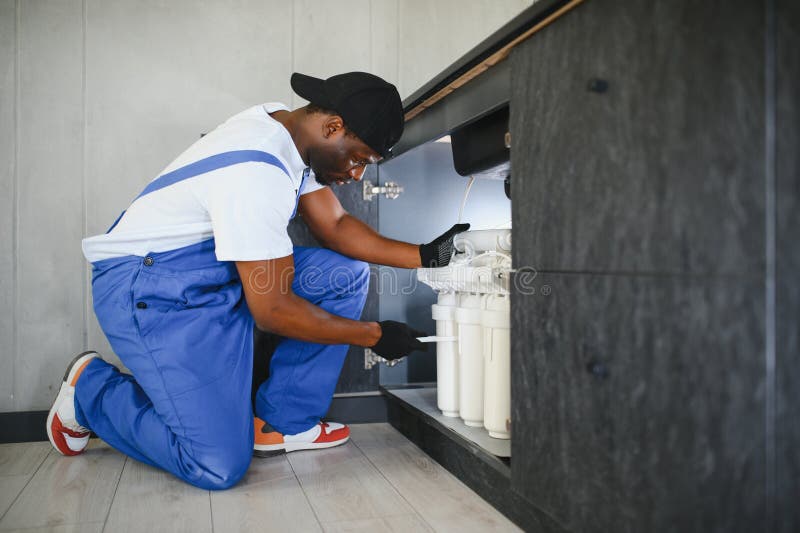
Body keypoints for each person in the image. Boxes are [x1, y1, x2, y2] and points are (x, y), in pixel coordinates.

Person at [45, 71, 469, 490]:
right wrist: (374, 335)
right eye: (359, 159)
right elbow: (273, 310)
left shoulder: (286, 131)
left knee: (344, 277)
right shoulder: (257, 169)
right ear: (333, 127)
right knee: (216, 465)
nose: (357, 174)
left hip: (209, 270)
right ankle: (91, 390)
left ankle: (283, 422)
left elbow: (336, 225)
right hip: (151, 287)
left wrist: (425, 256)